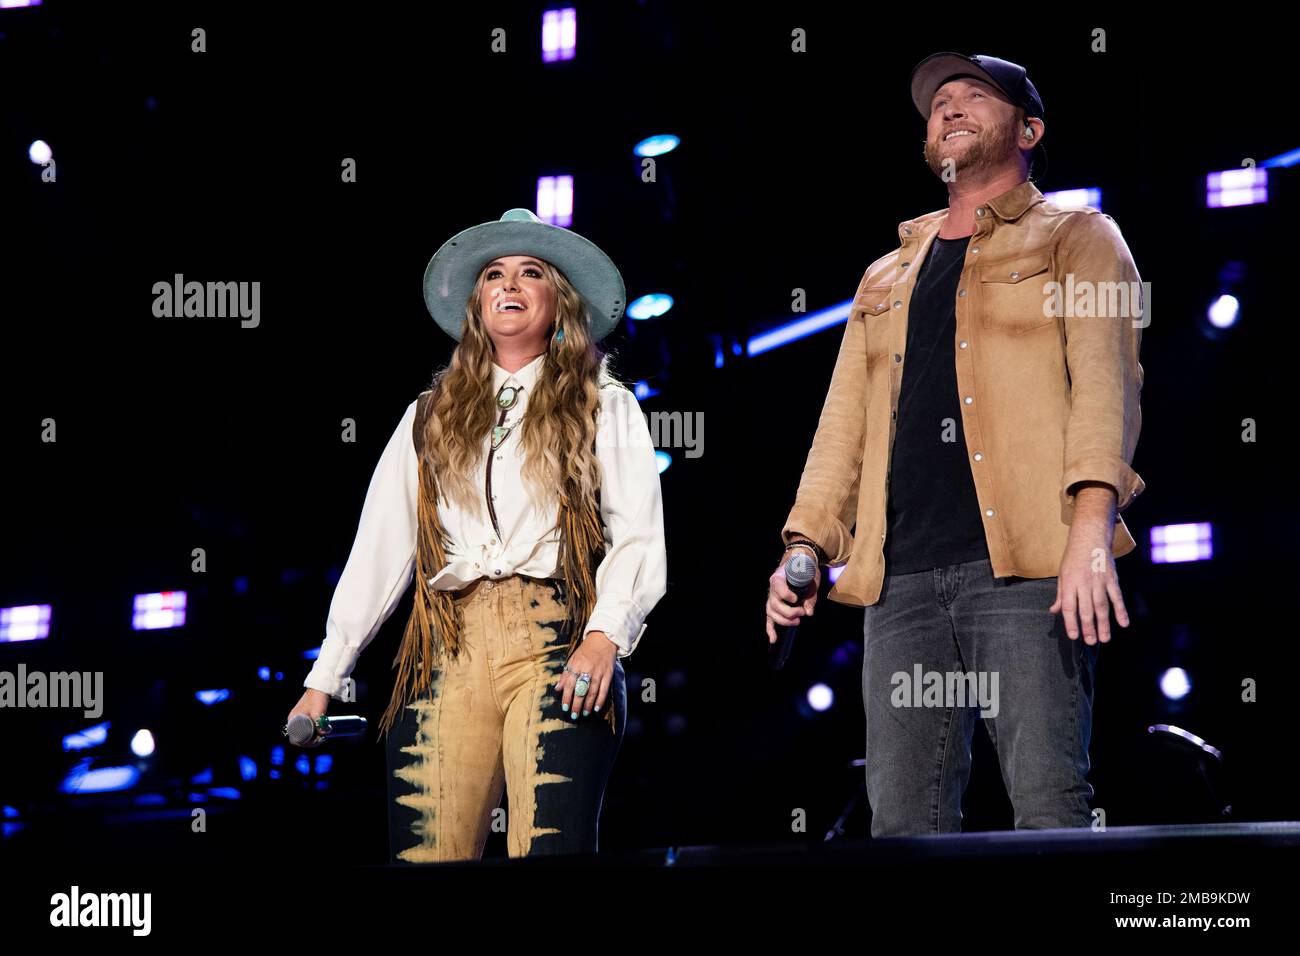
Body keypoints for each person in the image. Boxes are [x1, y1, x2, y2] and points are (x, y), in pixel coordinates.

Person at [764, 53, 1146, 835]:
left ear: (1029, 129)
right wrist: (804, 546)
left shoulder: (1078, 238)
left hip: (1029, 569)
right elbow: (844, 423)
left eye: (977, 96)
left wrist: (1090, 536)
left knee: (1047, 805)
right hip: (897, 583)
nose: (951, 107)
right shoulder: (886, 274)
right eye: (940, 102)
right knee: (902, 824)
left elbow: (1110, 387)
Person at [288, 208, 667, 862]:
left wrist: (606, 636)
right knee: (428, 861)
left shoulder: (605, 402)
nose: (508, 284)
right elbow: (380, 547)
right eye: (494, 274)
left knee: (549, 856)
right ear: (478, 302)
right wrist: (326, 674)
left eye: (530, 273)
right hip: (447, 647)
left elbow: (637, 533)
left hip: (557, 640)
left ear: (560, 302)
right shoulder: (428, 416)